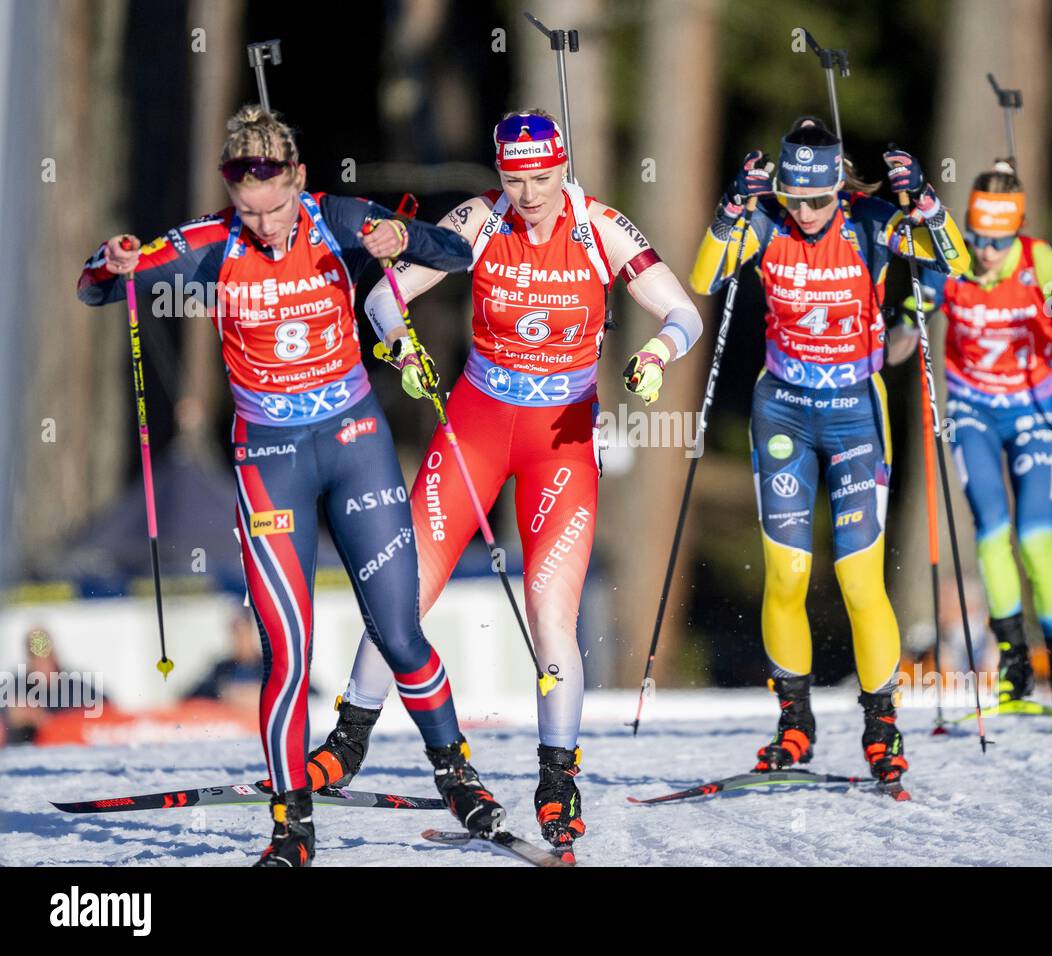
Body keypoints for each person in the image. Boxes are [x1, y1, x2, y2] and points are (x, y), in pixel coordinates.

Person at [77, 105, 504, 866]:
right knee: (288, 654)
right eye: (250, 212)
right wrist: (111, 264)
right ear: (229, 196)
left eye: (275, 209)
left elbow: (458, 254)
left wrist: (404, 239)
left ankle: (456, 774)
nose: (266, 227)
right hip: (269, 460)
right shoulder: (210, 242)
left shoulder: (339, 218)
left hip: (354, 444)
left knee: (400, 633)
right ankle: (291, 828)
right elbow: (98, 288)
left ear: (298, 181)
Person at [305, 110, 704, 857]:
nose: (527, 194)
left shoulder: (600, 227)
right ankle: (349, 737)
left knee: (551, 615)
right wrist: (400, 342)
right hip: (476, 430)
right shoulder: (478, 220)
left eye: (542, 179)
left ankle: (557, 780)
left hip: (562, 443)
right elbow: (383, 293)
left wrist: (654, 357)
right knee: (403, 589)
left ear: (563, 168)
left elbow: (684, 312)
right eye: (515, 179)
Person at [688, 117, 970, 788]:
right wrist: (731, 210)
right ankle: (794, 720)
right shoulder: (767, 224)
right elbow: (705, 277)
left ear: (838, 190)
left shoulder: (871, 221)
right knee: (786, 577)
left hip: (854, 417)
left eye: (817, 200)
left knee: (857, 580)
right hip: (781, 409)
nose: (806, 213)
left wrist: (925, 200)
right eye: (794, 199)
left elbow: (953, 261)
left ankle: (881, 726)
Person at [888, 158, 1052, 727]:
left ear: (1016, 232)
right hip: (971, 412)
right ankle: (1014, 666)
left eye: (998, 241)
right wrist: (907, 323)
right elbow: (897, 345)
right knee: (992, 534)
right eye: (978, 238)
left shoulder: (1041, 262)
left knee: (1037, 541)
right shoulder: (950, 262)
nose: (986, 253)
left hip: (1031, 415)